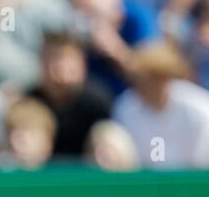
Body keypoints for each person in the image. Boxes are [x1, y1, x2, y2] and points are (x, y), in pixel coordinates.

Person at [113, 40, 209, 167]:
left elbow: (200, 166)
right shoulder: (125, 109)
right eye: (138, 78)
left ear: (165, 78)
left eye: (150, 79)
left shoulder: (199, 109)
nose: (141, 85)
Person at [27, 30, 113, 159]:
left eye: (65, 59)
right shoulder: (31, 102)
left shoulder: (98, 104)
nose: (58, 67)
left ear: (82, 64)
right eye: (51, 59)